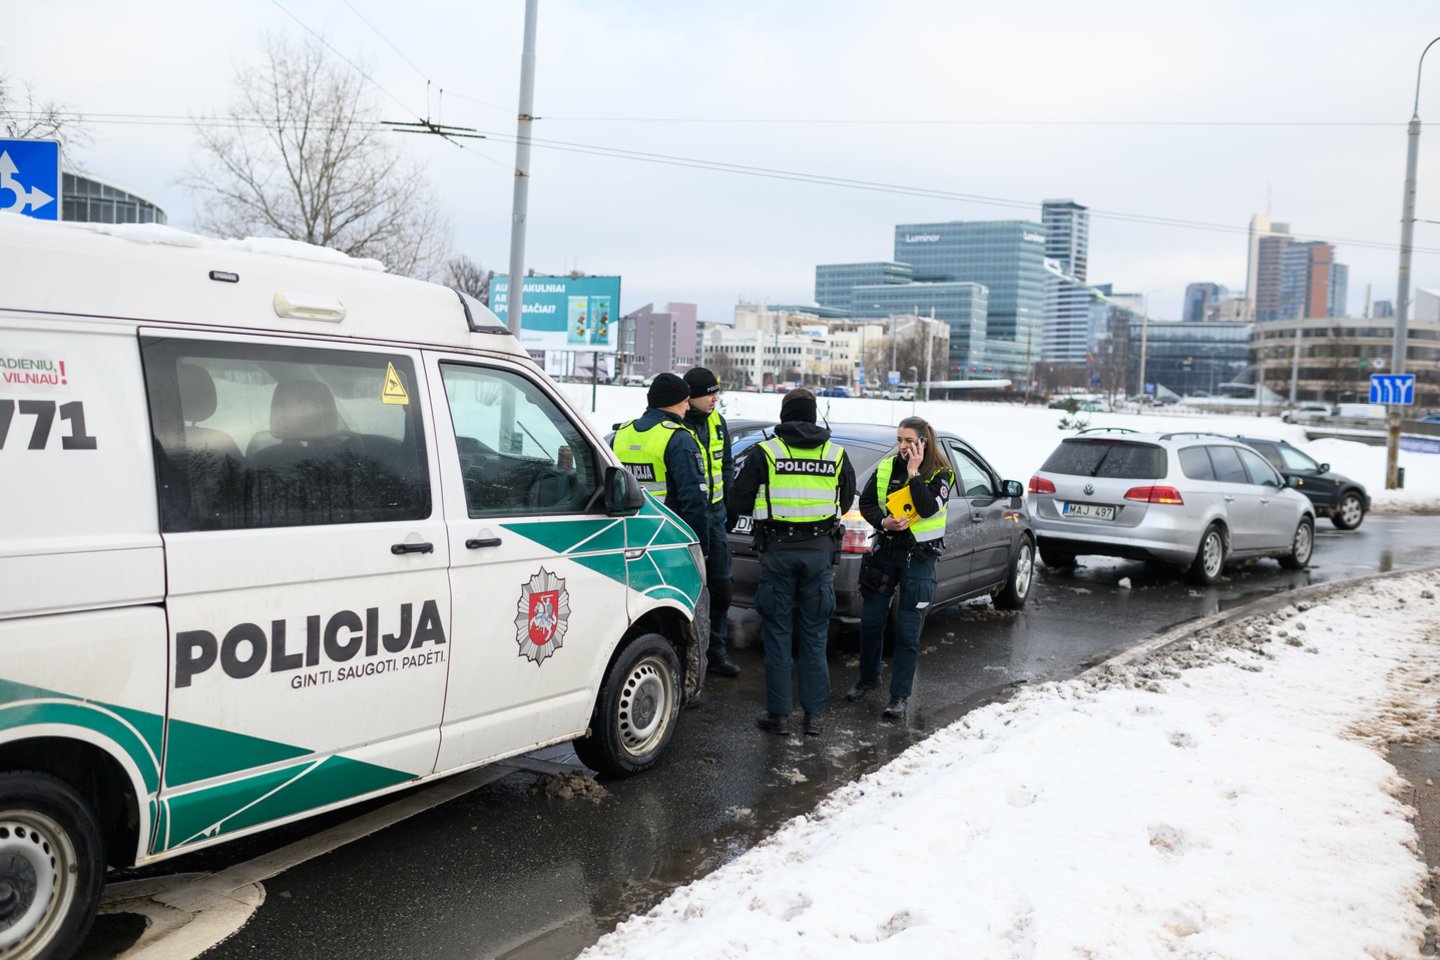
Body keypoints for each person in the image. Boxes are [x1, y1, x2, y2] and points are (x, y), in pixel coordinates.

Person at [728, 388, 855, 737]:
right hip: (819, 555)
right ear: (813, 416)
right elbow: (844, 503)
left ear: (785, 416)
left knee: (778, 635)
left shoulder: (766, 452)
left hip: (778, 555)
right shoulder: (836, 454)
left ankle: (779, 716)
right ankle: (814, 718)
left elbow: (737, 501)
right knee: (815, 636)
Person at [846, 416, 954, 722]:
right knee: (870, 623)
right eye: (900, 440)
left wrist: (914, 473)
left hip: (919, 559)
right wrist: (883, 522)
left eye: (909, 440)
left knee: (907, 633)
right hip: (886, 553)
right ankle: (868, 679)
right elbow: (867, 503)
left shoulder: (941, 473)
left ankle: (899, 696)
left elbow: (929, 507)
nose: (903, 446)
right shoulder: (885, 467)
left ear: (924, 441)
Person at [611, 372, 710, 556]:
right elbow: (693, 498)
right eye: (685, 401)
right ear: (672, 402)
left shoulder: (621, 434)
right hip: (667, 538)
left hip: (626, 535)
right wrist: (700, 546)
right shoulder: (679, 438)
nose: (688, 407)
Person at [683, 366, 740, 678]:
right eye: (709, 393)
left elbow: (726, 463)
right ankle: (690, 659)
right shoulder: (676, 423)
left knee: (721, 589)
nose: (715, 398)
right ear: (690, 397)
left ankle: (716, 652)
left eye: (717, 392)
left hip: (715, 517)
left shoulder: (718, 421)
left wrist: (727, 499)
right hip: (685, 521)